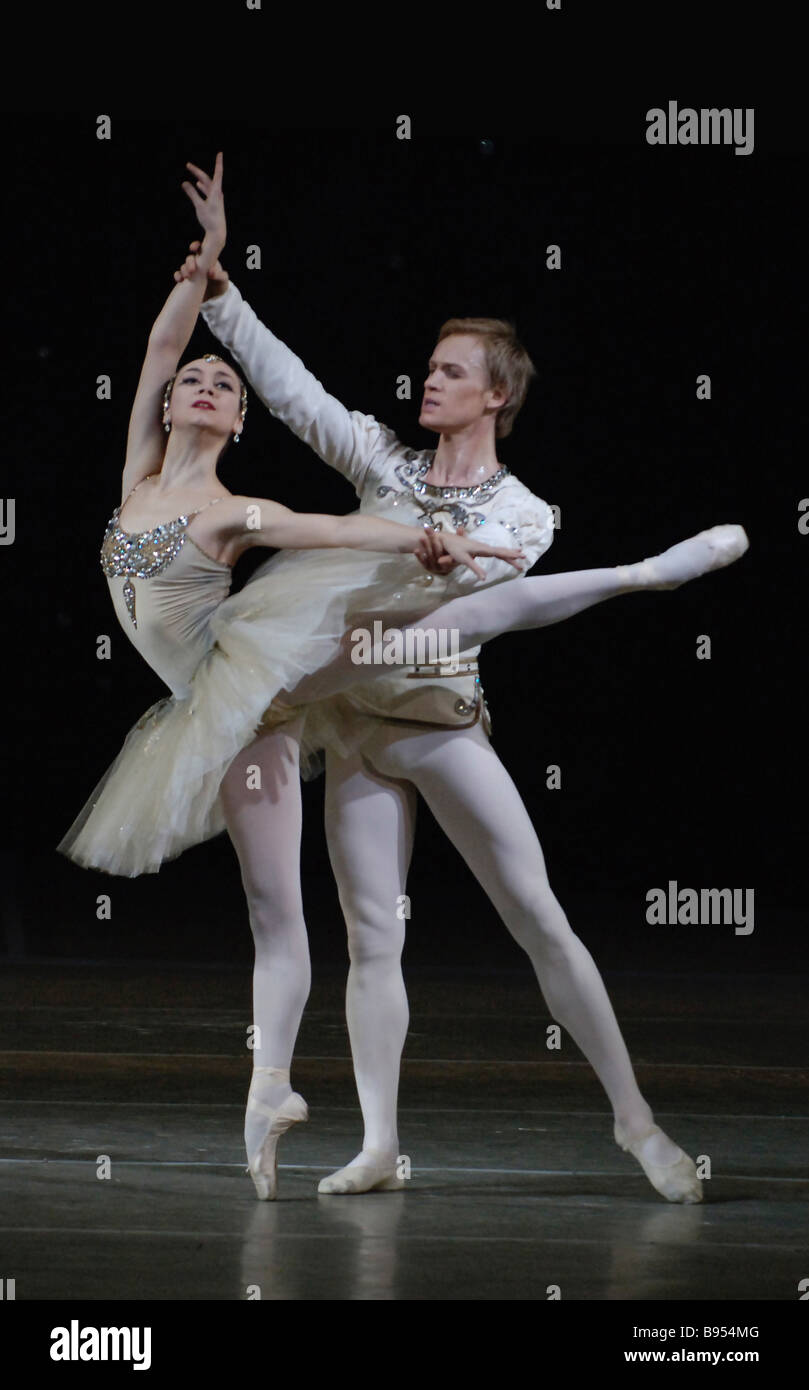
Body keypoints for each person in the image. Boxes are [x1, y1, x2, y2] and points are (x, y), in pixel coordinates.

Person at [168, 156, 749, 1206]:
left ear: (497, 393)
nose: (426, 378)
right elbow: (296, 396)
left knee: (536, 915)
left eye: (448, 370)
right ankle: (381, 1141)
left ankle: (636, 1121)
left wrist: (424, 575)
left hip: (437, 720)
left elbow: (476, 612)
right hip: (354, 721)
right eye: (427, 366)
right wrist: (221, 288)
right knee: (371, 938)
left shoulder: (523, 513)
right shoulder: (384, 468)